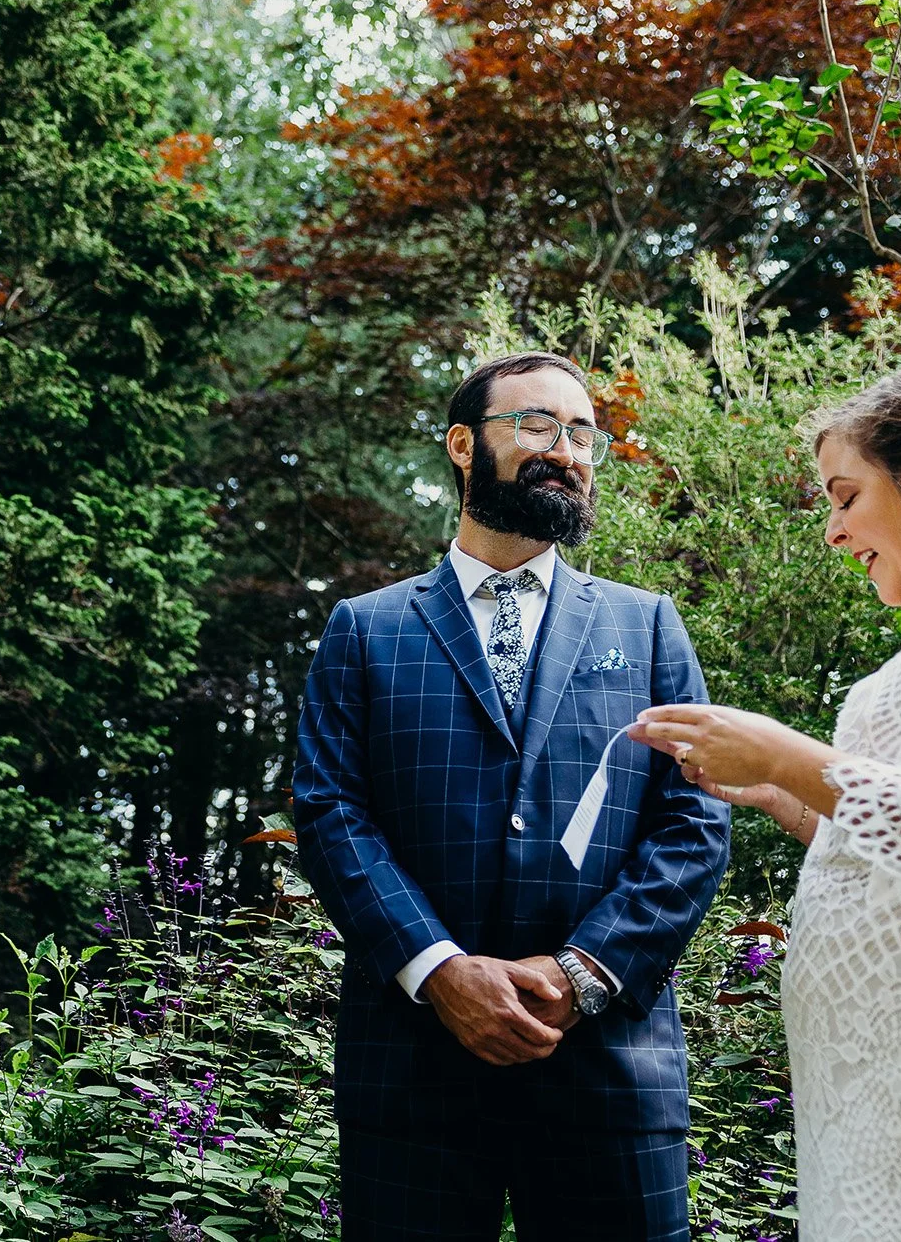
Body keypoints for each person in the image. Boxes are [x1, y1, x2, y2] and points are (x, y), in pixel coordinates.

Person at [631, 364, 901, 1242]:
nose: (834, 531)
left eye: (846, 496)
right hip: (885, 1116)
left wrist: (787, 753)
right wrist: (786, 794)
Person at [295, 351, 730, 1241]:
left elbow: (694, 821)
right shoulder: (364, 628)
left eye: (582, 434)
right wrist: (440, 970)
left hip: (609, 1072)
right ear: (463, 445)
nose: (565, 450)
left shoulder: (647, 624)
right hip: (413, 1074)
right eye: (537, 425)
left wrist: (582, 973)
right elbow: (331, 812)